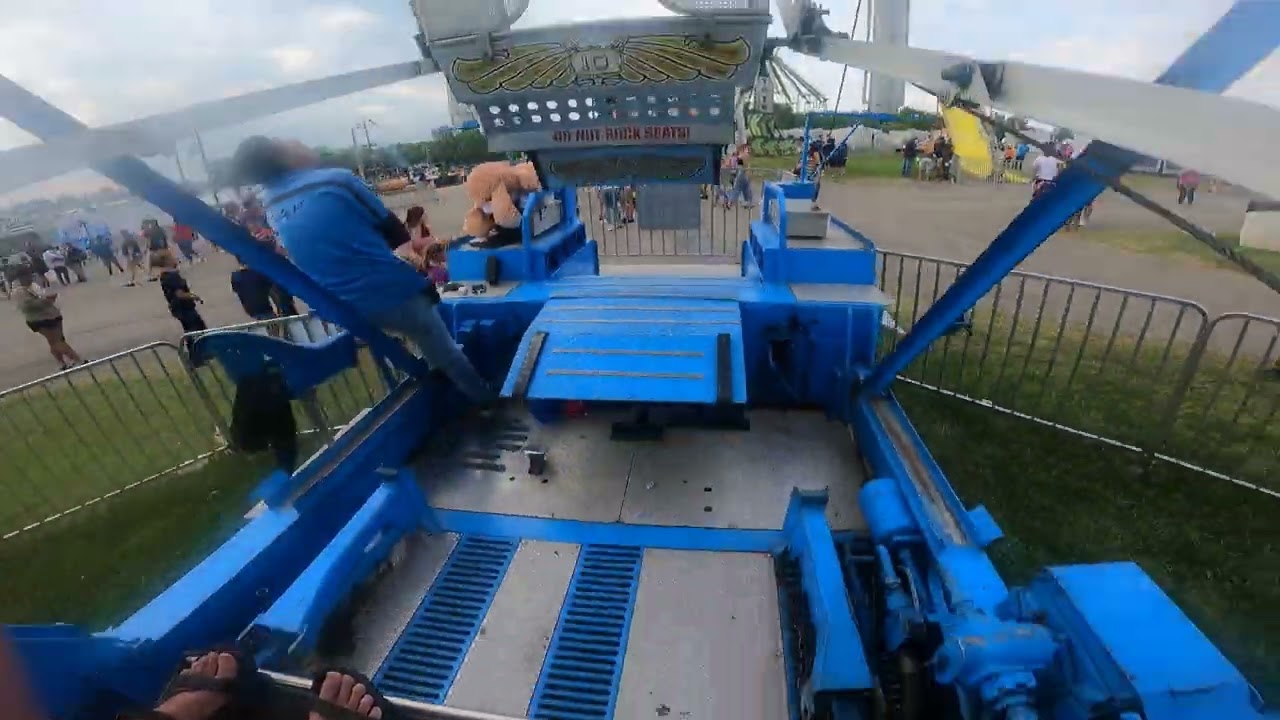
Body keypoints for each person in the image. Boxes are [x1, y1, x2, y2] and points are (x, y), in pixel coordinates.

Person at [231, 135, 494, 404]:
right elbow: (390, 227)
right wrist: (415, 262)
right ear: (283, 155)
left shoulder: (270, 203)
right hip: (390, 293)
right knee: (444, 349)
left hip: (340, 309)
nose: (300, 142)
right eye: (289, 142)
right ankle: (485, 401)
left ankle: (431, 383)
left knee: (405, 341)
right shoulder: (336, 180)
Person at [13, 266, 83, 370]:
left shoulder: (33, 285)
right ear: (20, 277)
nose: (30, 278)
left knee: (54, 342)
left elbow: (42, 294)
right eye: (27, 276)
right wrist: (46, 301)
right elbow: (26, 306)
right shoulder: (19, 291)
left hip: (52, 315)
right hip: (39, 319)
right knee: (57, 341)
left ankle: (62, 364)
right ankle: (79, 361)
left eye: (30, 275)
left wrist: (48, 298)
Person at [156, 252, 208, 346]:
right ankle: (199, 353)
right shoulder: (172, 277)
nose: (175, 258)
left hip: (177, 307)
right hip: (184, 307)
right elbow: (179, 294)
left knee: (191, 330)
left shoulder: (165, 276)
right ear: (167, 261)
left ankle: (197, 353)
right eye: (172, 258)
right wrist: (194, 296)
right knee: (196, 330)